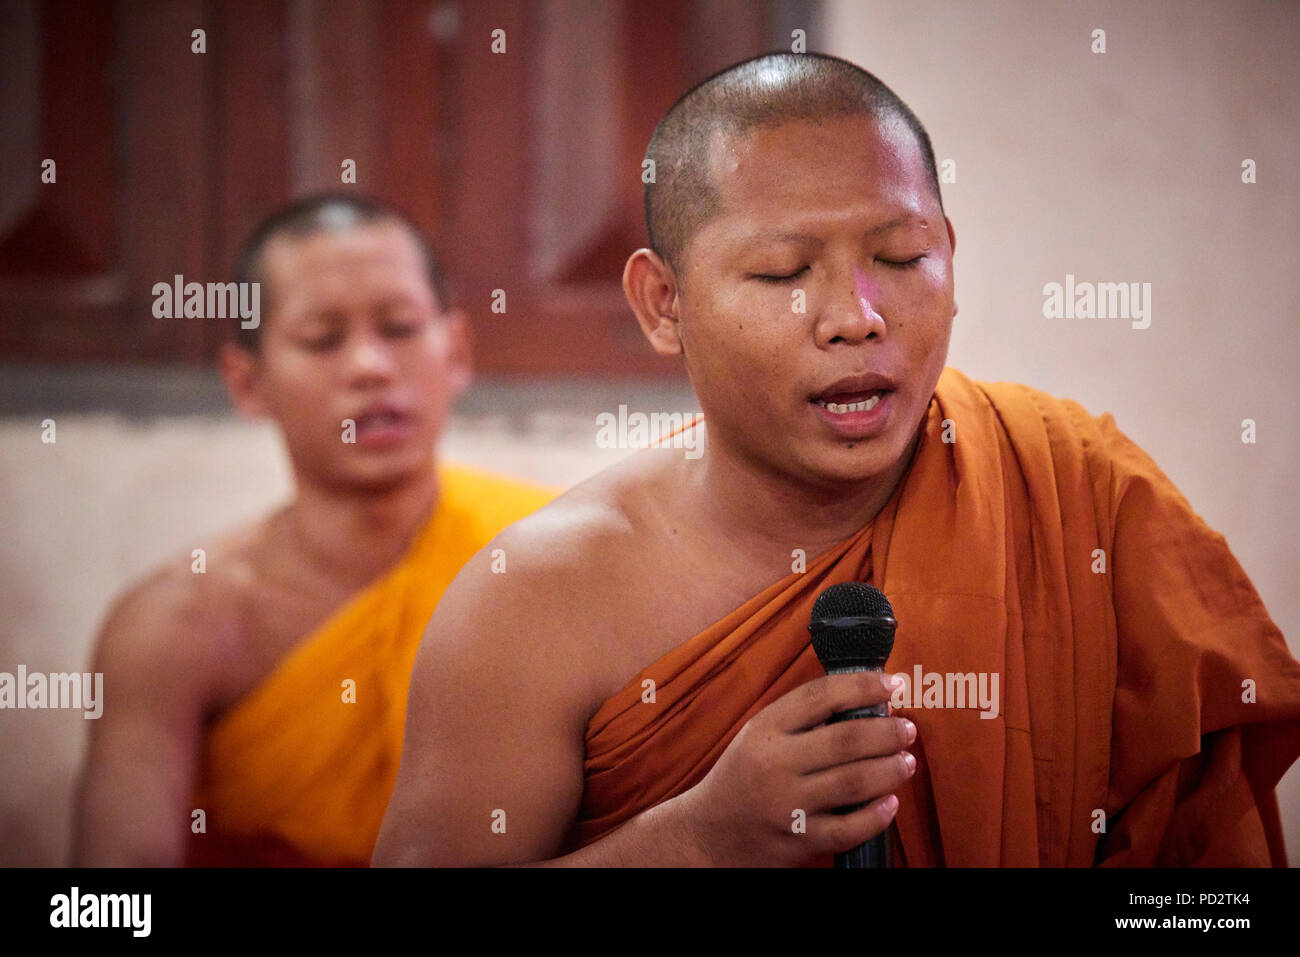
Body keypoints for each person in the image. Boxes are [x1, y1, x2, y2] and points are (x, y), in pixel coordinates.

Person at [373, 53, 1300, 867]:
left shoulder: (1075, 496)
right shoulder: (537, 598)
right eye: (783, 272)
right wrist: (695, 840)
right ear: (663, 304)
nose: (857, 314)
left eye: (901, 256)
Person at [73, 193, 555, 866]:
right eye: (322, 339)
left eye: (400, 327)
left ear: (456, 350)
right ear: (248, 383)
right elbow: (104, 906)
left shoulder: (553, 558)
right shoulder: (176, 626)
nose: (369, 367)